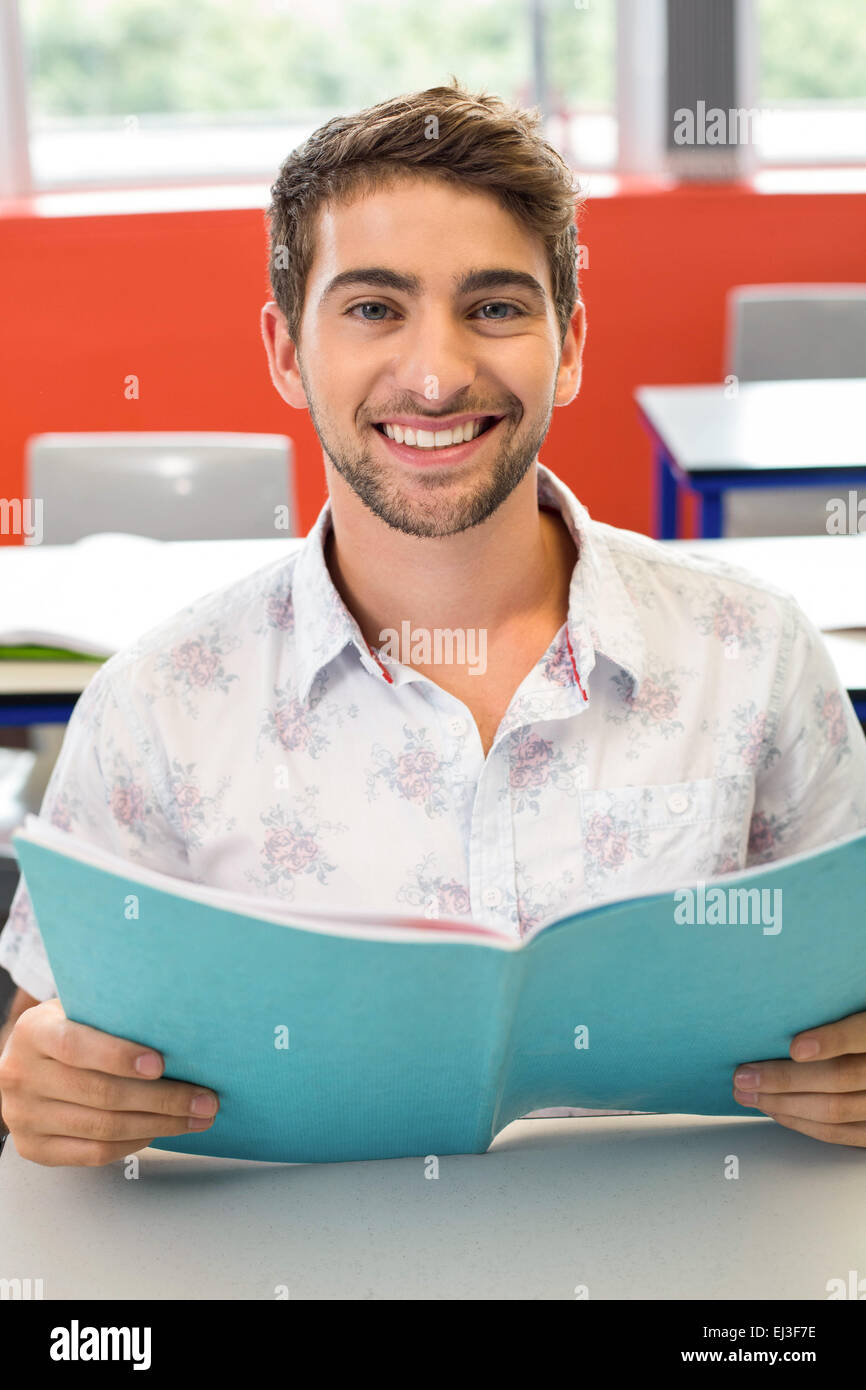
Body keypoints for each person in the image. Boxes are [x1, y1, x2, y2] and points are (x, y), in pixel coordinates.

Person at [2, 79, 865, 1167]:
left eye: (495, 307)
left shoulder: (756, 655)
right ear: (283, 350)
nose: (435, 373)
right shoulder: (156, 704)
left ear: (568, 343)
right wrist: (46, 1083)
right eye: (372, 308)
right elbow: (48, 1035)